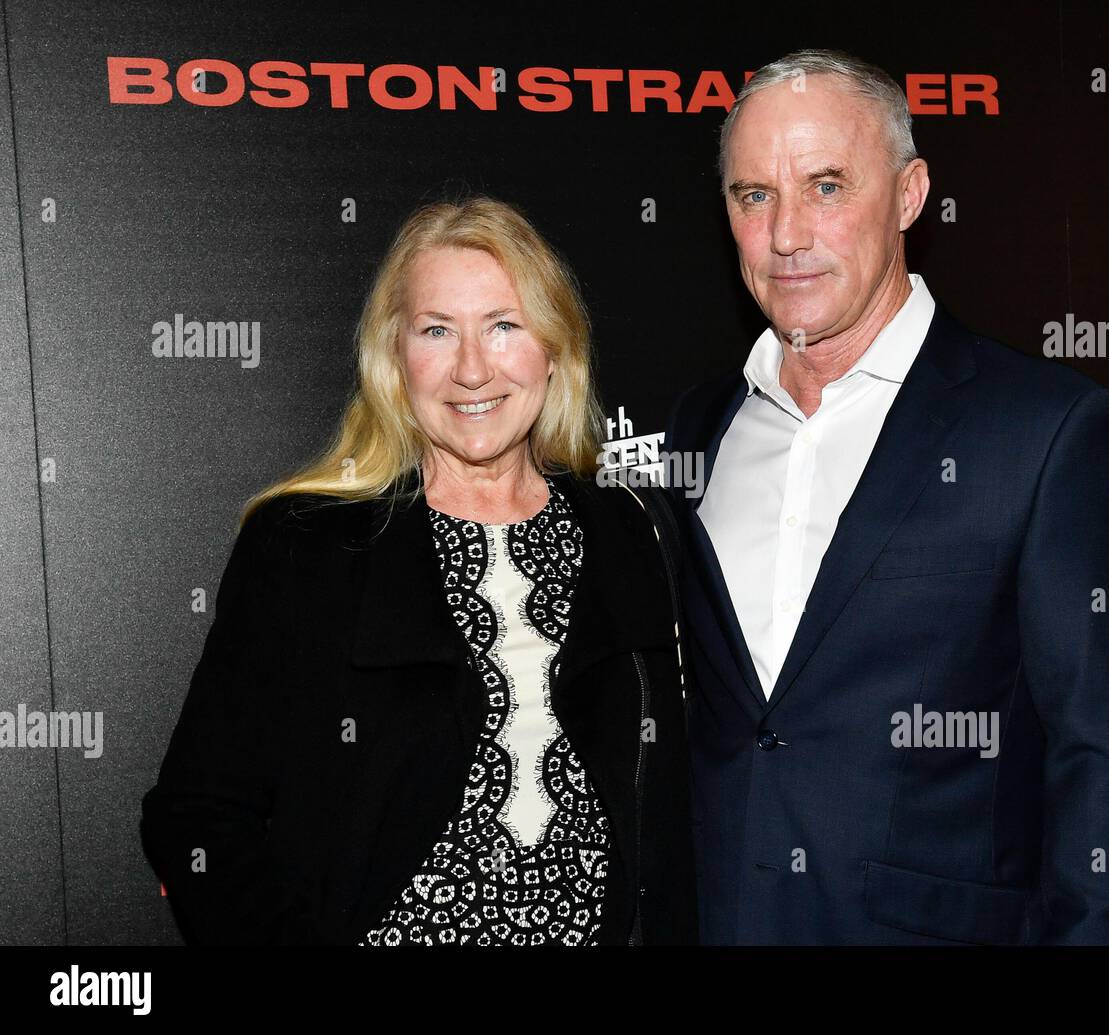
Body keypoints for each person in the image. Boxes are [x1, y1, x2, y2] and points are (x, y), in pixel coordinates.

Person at [664, 49, 1109, 944]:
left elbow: (1105, 759)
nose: (786, 234)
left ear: (908, 194)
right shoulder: (700, 427)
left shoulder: (1046, 432)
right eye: (754, 195)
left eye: (826, 186)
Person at [140, 195, 696, 946]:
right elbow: (198, 814)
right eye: (437, 330)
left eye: (504, 325)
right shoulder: (307, 546)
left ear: (554, 346)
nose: (472, 368)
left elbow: (679, 802)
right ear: (395, 357)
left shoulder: (636, 531)